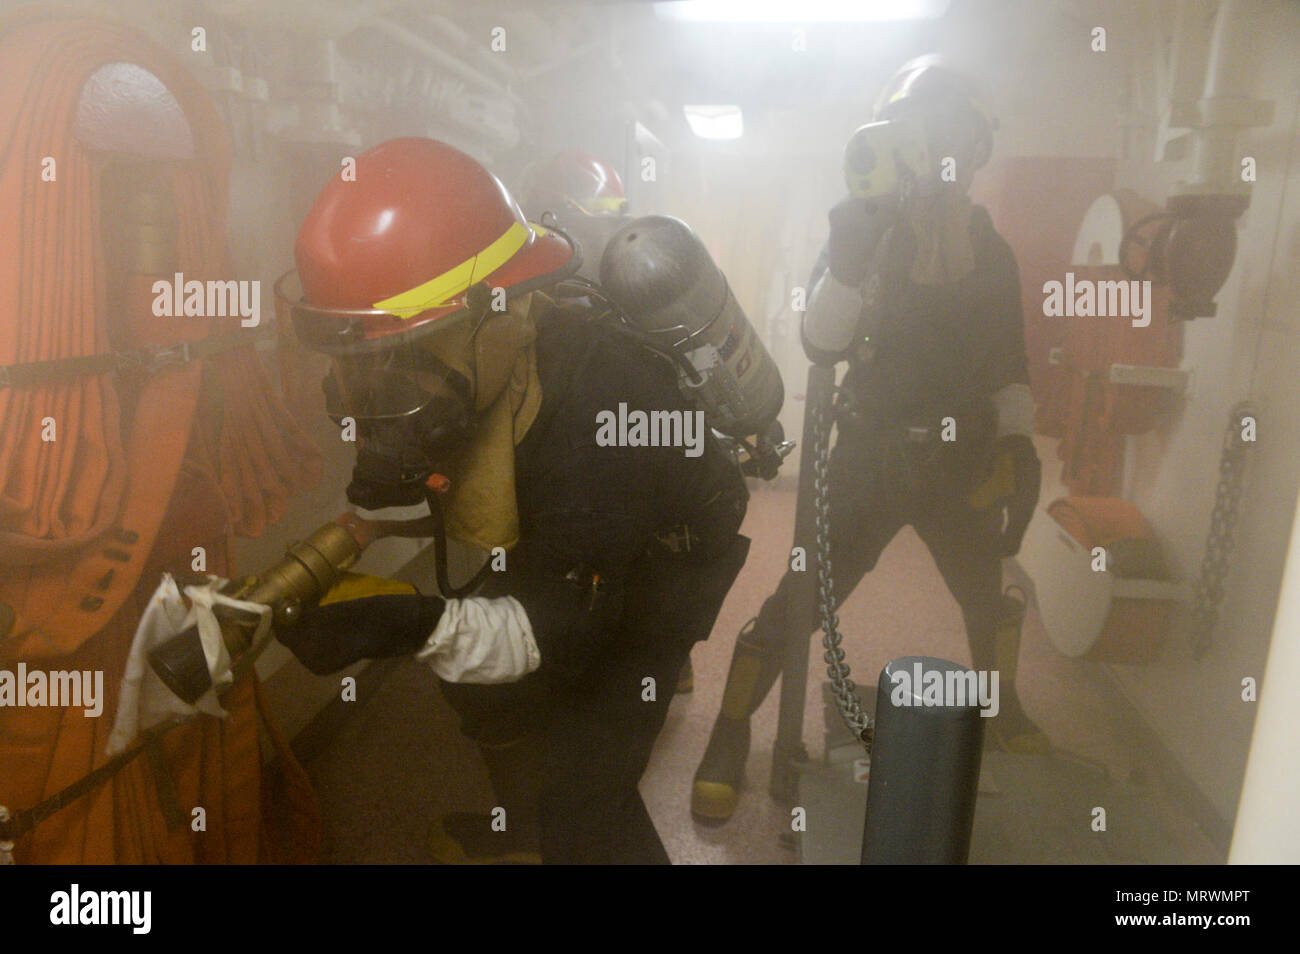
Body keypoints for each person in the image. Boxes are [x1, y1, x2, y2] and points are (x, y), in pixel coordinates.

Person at [276, 137, 751, 863]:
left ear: (495, 319)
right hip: (575, 533)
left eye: (403, 360)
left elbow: (551, 632)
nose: (374, 398)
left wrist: (400, 625)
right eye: (363, 367)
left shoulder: (606, 412)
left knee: (588, 793)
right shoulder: (495, 361)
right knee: (488, 695)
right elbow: (441, 493)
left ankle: (558, 827)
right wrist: (348, 553)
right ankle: (521, 838)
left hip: (664, 562)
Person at [691, 58, 1046, 824]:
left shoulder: (992, 255)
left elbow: (1008, 365)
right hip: (868, 457)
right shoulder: (863, 231)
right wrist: (848, 262)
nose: (937, 159)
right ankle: (729, 731)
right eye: (924, 136)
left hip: (961, 460)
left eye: (955, 138)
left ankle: (1002, 703)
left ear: (975, 149)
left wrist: (1018, 445)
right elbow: (821, 344)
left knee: (987, 594)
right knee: (800, 600)